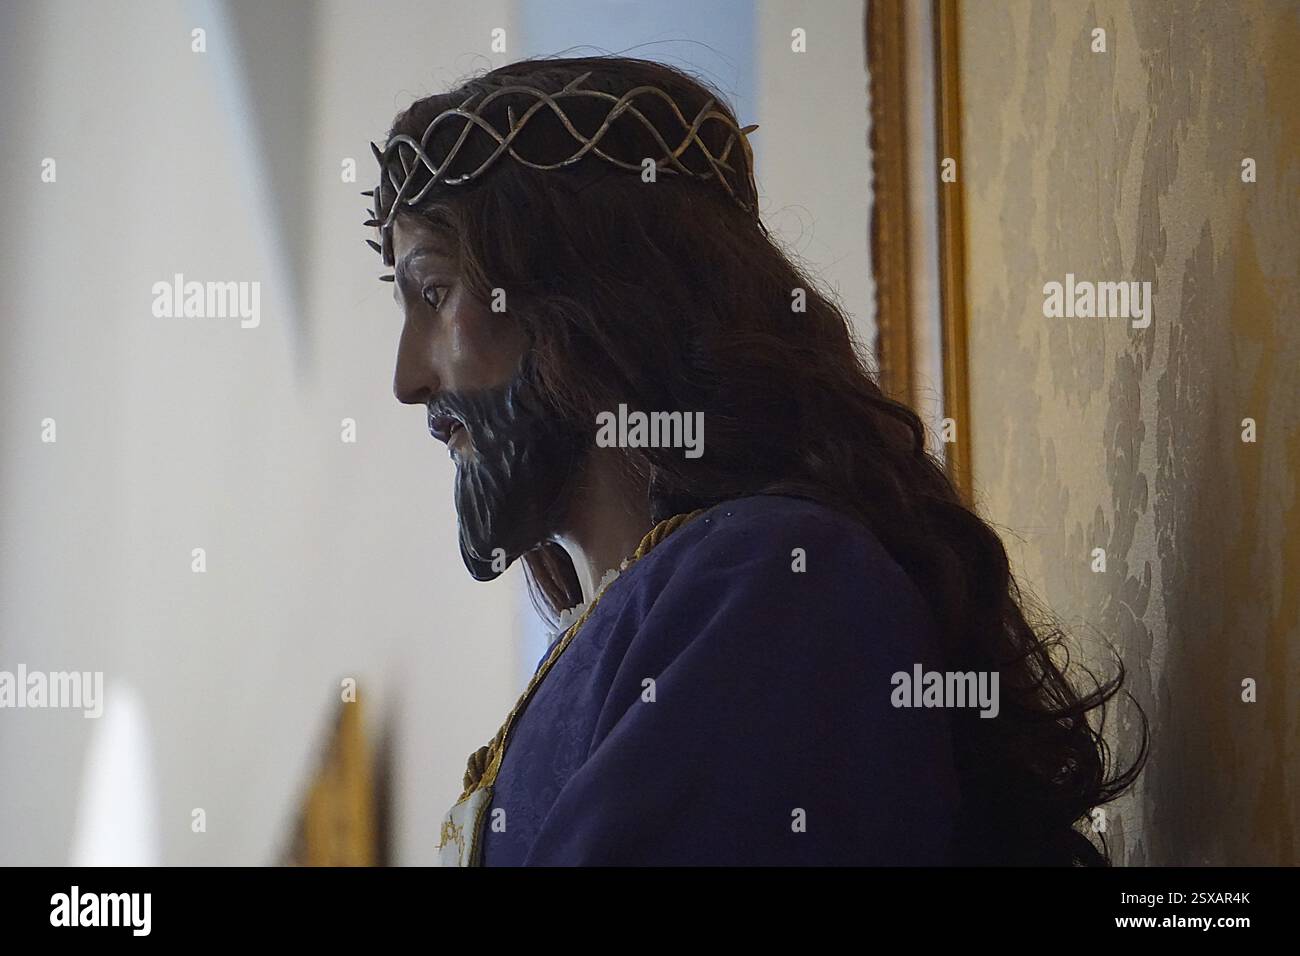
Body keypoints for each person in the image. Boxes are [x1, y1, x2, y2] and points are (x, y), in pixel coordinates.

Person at [363, 55, 1143, 866]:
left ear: (595, 294)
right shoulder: (656, 609)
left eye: (434, 293)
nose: (406, 381)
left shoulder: (776, 578)